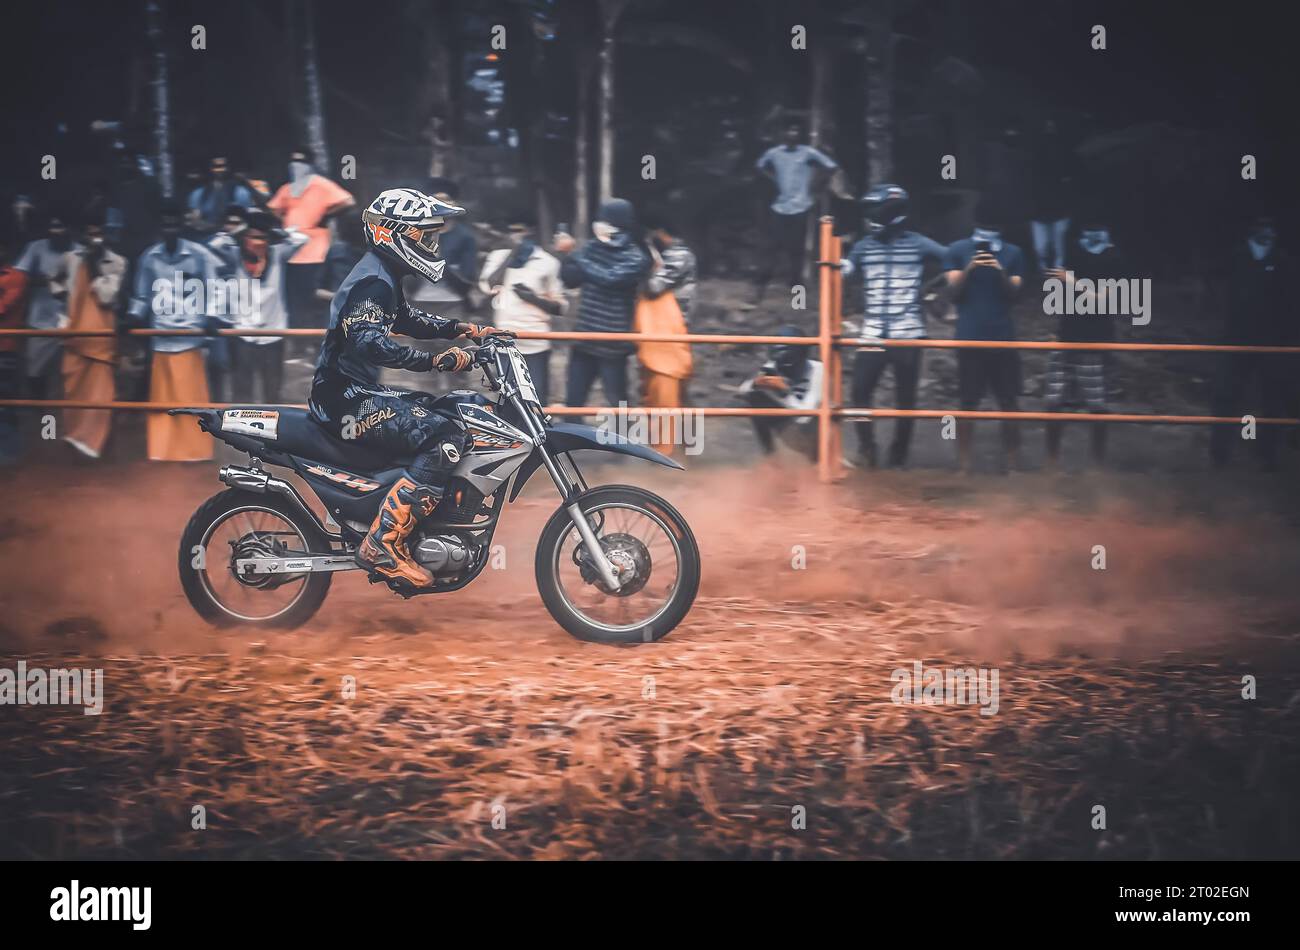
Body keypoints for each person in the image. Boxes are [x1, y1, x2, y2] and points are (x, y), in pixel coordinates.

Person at [309, 187, 506, 588]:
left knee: (453, 409)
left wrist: (462, 329)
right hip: (345, 400)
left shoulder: (381, 274)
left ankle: (424, 522)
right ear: (394, 233)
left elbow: (406, 319)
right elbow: (371, 343)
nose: (433, 245)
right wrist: (436, 360)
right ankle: (383, 543)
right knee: (444, 436)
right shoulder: (373, 282)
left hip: (354, 393)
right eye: (425, 236)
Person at [842, 185, 947, 468]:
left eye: (874, 214)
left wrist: (935, 290)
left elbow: (953, 259)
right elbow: (846, 270)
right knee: (860, 391)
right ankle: (867, 448)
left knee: (906, 396)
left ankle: (899, 455)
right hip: (873, 331)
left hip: (908, 331)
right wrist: (835, 266)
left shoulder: (918, 243)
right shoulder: (863, 246)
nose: (869, 220)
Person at [129, 201, 223, 461]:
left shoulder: (199, 255)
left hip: (190, 337)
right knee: (162, 402)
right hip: (161, 338)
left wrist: (212, 316)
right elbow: (141, 295)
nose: (169, 228)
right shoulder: (150, 257)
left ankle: (195, 452)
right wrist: (132, 317)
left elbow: (215, 287)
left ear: (181, 225)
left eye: (174, 223)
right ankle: (163, 451)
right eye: (165, 224)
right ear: (160, 227)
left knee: (192, 400)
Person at [943, 205, 1026, 474]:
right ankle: (963, 465)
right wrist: (970, 267)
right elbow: (953, 293)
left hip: (1003, 337)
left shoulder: (1014, 253)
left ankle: (1012, 464)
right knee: (968, 402)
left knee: (1009, 401)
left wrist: (999, 270)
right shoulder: (956, 249)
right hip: (969, 337)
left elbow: (1015, 294)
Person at [1209, 214, 1294, 470]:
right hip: (1236, 339)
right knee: (1227, 396)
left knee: (1273, 399)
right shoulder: (1235, 257)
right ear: (1251, 229)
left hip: (1272, 342)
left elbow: (1291, 302)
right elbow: (1212, 285)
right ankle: (1219, 455)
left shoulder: (1283, 261)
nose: (1266, 231)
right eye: (1261, 226)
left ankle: (1267, 455)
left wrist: (1287, 336)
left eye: (1270, 227)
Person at [558, 198, 651, 411]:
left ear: (619, 224)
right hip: (584, 338)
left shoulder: (636, 257)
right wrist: (565, 257)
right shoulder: (592, 248)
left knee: (618, 403)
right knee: (573, 402)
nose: (599, 223)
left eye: (604, 220)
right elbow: (571, 279)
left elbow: (609, 278)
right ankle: (570, 444)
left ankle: (623, 443)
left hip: (613, 343)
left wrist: (574, 254)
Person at [1043, 219, 1121, 469]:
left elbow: (1105, 300)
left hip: (1096, 340)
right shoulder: (1073, 251)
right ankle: (1051, 463)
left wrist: (1072, 281)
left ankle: (1098, 466)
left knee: (1097, 404)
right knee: (1053, 402)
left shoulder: (1114, 257)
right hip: (1066, 336)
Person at [208, 210, 307, 403]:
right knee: (242, 390)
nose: (257, 242)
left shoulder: (278, 253)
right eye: (252, 237)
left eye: (262, 237)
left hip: (273, 333)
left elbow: (301, 239)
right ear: (244, 238)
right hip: (243, 334)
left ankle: (270, 431)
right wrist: (240, 230)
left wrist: (279, 232)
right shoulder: (235, 255)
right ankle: (242, 432)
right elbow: (215, 244)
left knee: (272, 390)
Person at [267, 147, 356, 354]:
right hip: (292, 255)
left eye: (301, 162)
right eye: (293, 162)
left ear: (309, 165)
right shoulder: (288, 189)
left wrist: (326, 214)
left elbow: (349, 201)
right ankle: (300, 347)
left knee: (316, 301)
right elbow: (272, 208)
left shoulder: (321, 185)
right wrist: (283, 223)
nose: (296, 166)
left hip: (317, 252)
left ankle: (319, 345)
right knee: (295, 303)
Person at [477, 218, 565, 404]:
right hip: (504, 340)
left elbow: (560, 307)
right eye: (513, 232)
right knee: (508, 397)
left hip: (536, 342)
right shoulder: (498, 256)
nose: (517, 236)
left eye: (521, 232)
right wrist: (512, 254)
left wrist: (534, 299)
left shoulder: (548, 262)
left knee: (537, 398)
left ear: (531, 233)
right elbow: (489, 285)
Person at [61, 217, 125, 459]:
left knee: (102, 396)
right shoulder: (69, 259)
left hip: (101, 341)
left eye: (98, 233)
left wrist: (95, 265)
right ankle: (75, 445)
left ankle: (98, 447)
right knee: (73, 394)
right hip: (75, 339)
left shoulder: (117, 262)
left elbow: (108, 297)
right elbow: (58, 285)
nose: (94, 238)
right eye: (90, 233)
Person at [754, 120, 838, 300]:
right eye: (789, 130)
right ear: (783, 134)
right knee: (771, 248)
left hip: (801, 206)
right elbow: (759, 166)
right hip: (779, 206)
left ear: (800, 135)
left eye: (796, 130)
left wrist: (815, 186)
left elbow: (831, 166)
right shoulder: (774, 153)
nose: (793, 134)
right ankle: (758, 294)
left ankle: (797, 299)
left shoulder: (807, 153)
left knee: (796, 252)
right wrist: (773, 181)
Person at [636, 214, 697, 455]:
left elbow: (653, 288)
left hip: (670, 334)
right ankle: (688, 449)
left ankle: (668, 452)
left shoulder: (679, 255)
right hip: (662, 332)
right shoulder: (670, 255)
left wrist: (644, 259)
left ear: (661, 231)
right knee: (669, 394)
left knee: (668, 393)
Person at [14, 213, 80, 400]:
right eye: (53, 226)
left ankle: (69, 414)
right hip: (41, 320)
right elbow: (18, 278)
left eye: (61, 226)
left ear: (70, 229)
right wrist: (46, 281)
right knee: (35, 371)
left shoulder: (81, 251)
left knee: (73, 372)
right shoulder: (36, 248)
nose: (57, 231)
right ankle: (40, 410)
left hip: (73, 321)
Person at [738, 324, 823, 460]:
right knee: (756, 397)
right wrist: (756, 383)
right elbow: (742, 391)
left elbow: (805, 417)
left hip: (817, 438)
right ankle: (771, 458)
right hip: (790, 432)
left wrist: (784, 391)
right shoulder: (774, 365)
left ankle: (821, 462)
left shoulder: (818, 371)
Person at [0, 234, 28, 465]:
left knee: (6, 402)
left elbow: (3, 308)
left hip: (6, 349)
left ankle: (9, 455)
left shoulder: (16, 277)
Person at [186, 156, 254, 235]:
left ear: (228, 168)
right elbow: (194, 220)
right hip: (206, 236)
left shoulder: (241, 192)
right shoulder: (198, 194)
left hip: (234, 237)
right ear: (210, 168)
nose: (220, 170)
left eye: (223, 166)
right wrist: (215, 228)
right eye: (216, 167)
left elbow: (246, 220)